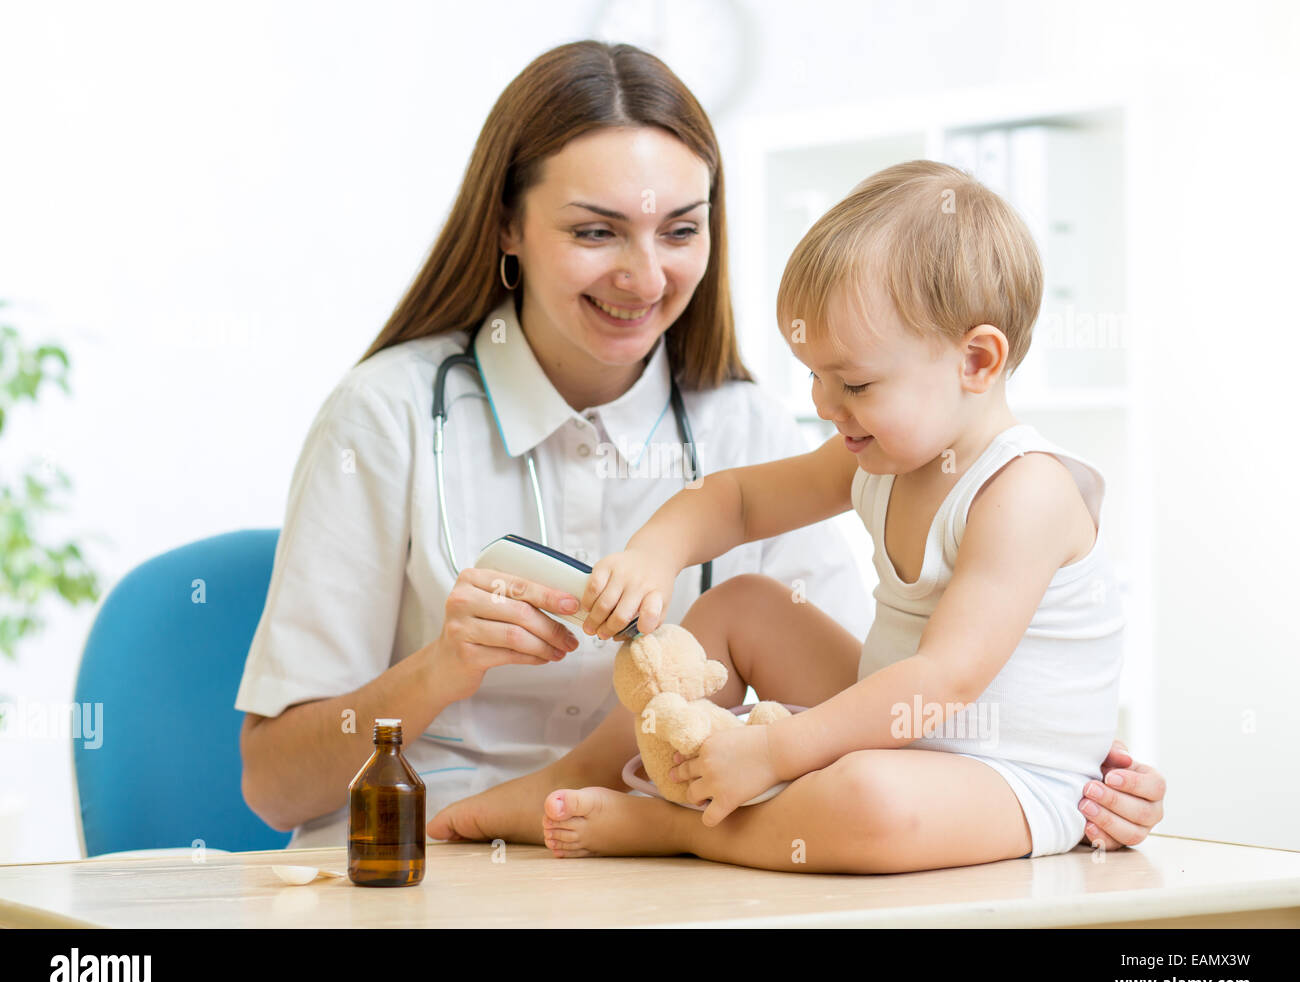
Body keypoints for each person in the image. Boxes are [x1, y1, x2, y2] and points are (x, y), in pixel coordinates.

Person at [236, 42, 1165, 856]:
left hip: (696, 847)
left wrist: (1072, 768)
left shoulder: (796, 426)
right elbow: (274, 788)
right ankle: (563, 794)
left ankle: (643, 820)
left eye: (680, 229)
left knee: (864, 786)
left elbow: (883, 704)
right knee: (746, 615)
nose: (645, 276)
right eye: (595, 231)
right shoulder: (386, 416)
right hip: (434, 856)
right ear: (508, 226)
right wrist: (446, 665)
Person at [545, 160, 1154, 871]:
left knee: (871, 800)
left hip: (1008, 777)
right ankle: (602, 776)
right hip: (898, 728)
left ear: (977, 361)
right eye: (815, 375)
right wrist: (656, 551)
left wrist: (776, 750)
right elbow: (739, 501)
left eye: (856, 383)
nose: (825, 405)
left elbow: (943, 679)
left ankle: (678, 827)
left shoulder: (1025, 494)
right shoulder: (884, 452)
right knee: (744, 604)